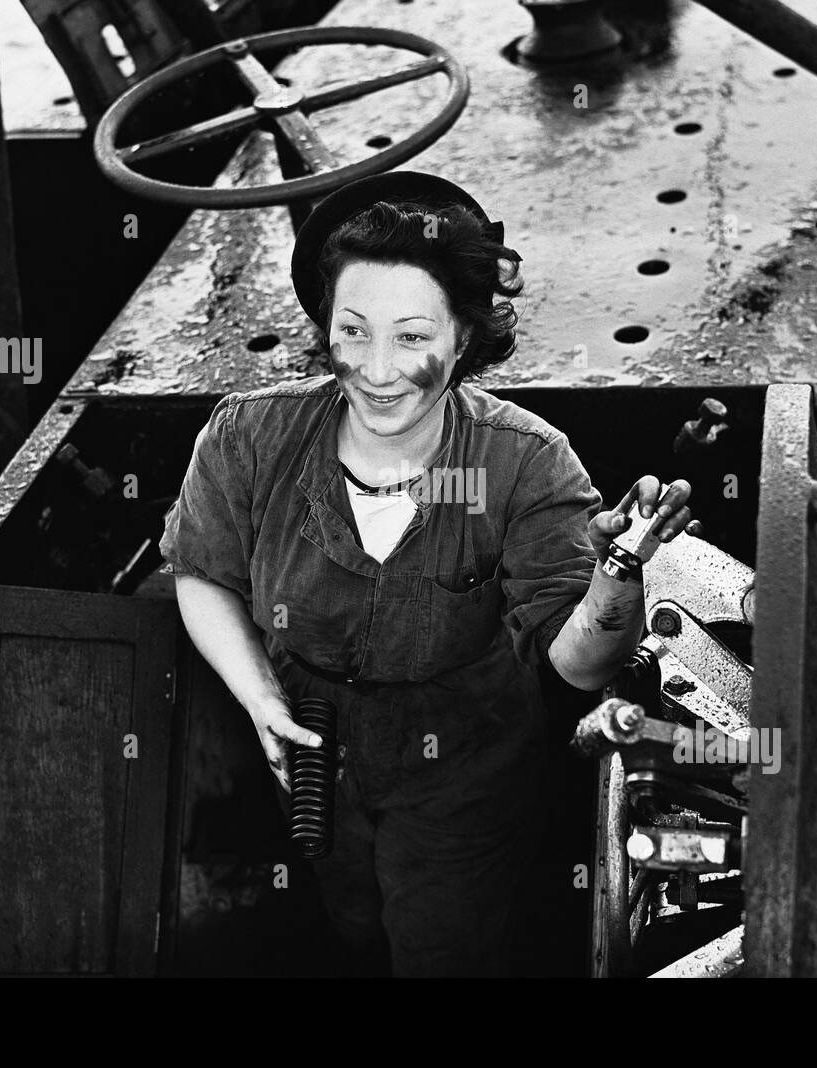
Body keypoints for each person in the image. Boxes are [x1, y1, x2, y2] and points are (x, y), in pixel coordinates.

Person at [159, 171, 693, 976]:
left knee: (445, 945)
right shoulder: (250, 435)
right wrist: (261, 700)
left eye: (411, 337)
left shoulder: (525, 464)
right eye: (353, 331)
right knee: (350, 920)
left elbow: (581, 664)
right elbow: (201, 572)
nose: (376, 370)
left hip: (466, 774)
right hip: (314, 753)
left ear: (464, 340)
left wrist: (618, 572)